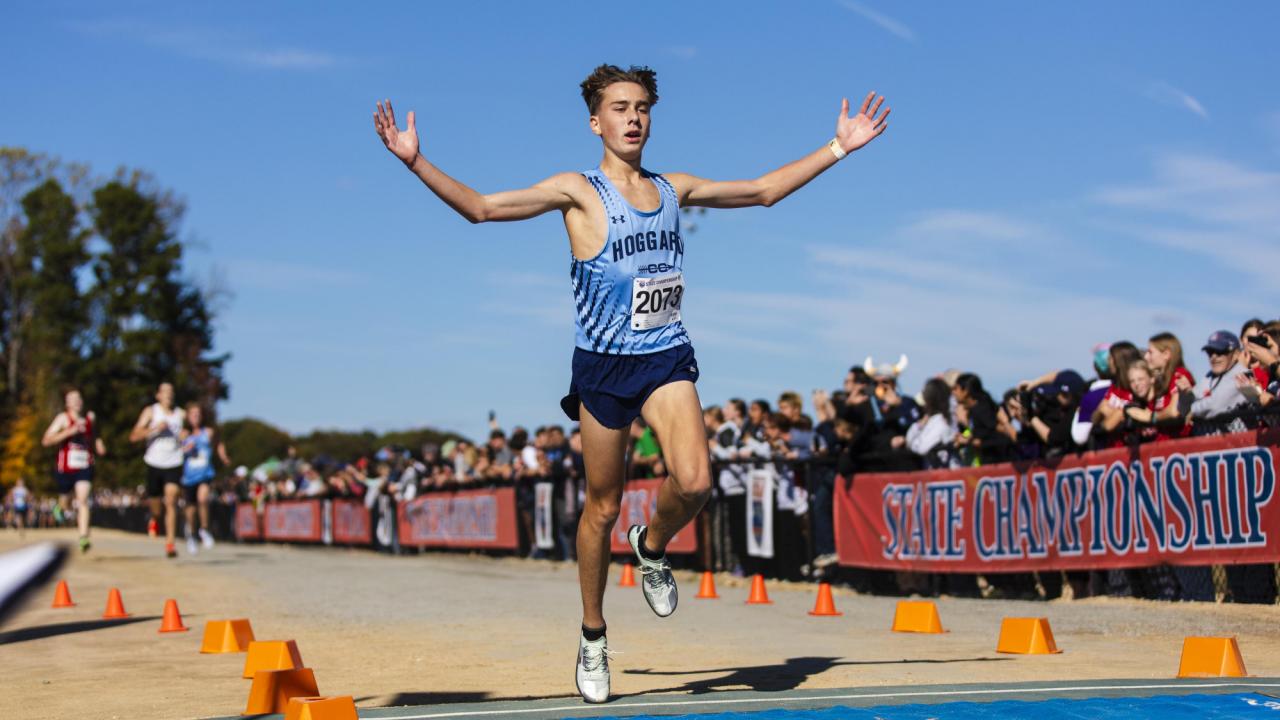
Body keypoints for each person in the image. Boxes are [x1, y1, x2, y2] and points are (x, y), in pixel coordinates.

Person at [373, 63, 890, 702]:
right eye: (620, 107)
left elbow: (761, 191)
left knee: (696, 481)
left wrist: (839, 146)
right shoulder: (577, 191)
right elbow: (482, 209)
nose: (634, 117)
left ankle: (651, 544)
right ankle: (594, 635)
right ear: (597, 121)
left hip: (665, 355)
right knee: (603, 506)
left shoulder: (674, 188)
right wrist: (416, 162)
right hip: (603, 366)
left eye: (642, 106)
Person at [41, 388, 106, 553]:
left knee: (83, 499)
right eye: (73, 399)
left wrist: (98, 444)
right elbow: (46, 440)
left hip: (84, 465)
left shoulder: (89, 420)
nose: (77, 401)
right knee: (66, 501)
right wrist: (69, 431)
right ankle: (60, 507)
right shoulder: (63, 418)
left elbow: (94, 436)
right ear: (67, 403)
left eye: (79, 398)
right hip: (66, 468)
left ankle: (84, 536)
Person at [129, 382, 186, 558]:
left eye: (171, 391)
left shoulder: (180, 414)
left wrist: (185, 437)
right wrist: (154, 429)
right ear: (158, 395)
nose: (169, 394)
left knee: (171, 501)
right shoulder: (151, 411)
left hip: (174, 462)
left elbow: (189, 435)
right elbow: (134, 436)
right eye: (165, 391)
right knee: (156, 507)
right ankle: (154, 517)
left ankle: (170, 543)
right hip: (154, 462)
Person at [180, 403, 231, 555]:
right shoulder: (183, 434)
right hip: (188, 476)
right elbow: (176, 450)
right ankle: (192, 534)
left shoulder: (207, 432)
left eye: (198, 414)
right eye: (193, 413)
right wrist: (184, 449)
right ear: (187, 417)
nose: (196, 416)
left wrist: (223, 456)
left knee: (202, 499)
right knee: (190, 508)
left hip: (204, 474)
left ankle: (204, 529)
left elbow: (219, 443)